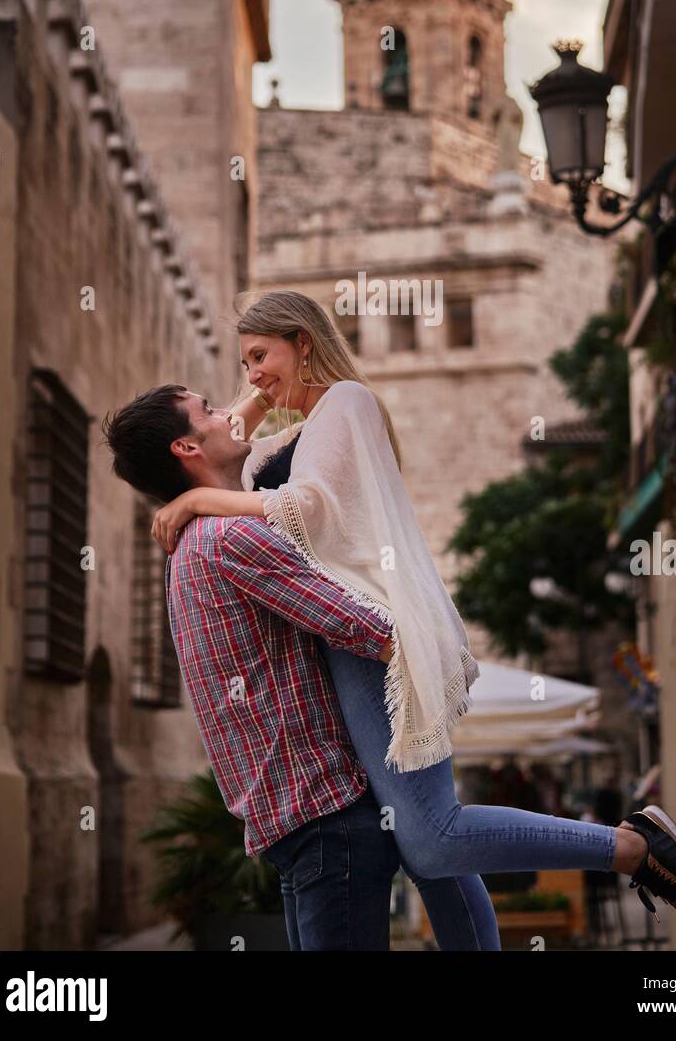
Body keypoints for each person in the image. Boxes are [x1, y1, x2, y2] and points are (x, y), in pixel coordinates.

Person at [150, 290, 676, 937]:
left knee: (434, 840)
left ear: (304, 341)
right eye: (243, 363)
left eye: (259, 355)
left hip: (375, 639)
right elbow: (226, 439)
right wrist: (263, 382)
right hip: (345, 647)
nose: (248, 377)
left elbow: (303, 508)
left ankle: (629, 847)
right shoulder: (289, 437)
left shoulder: (348, 404)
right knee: (427, 856)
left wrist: (195, 500)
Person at [103, 385, 499, 951]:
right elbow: (366, 628)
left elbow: (232, 424)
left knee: (438, 850)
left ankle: (625, 849)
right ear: (187, 448)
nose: (230, 413)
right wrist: (421, 646)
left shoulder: (194, 542)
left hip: (298, 821)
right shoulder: (231, 536)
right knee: (438, 845)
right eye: (209, 411)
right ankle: (626, 849)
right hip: (321, 815)